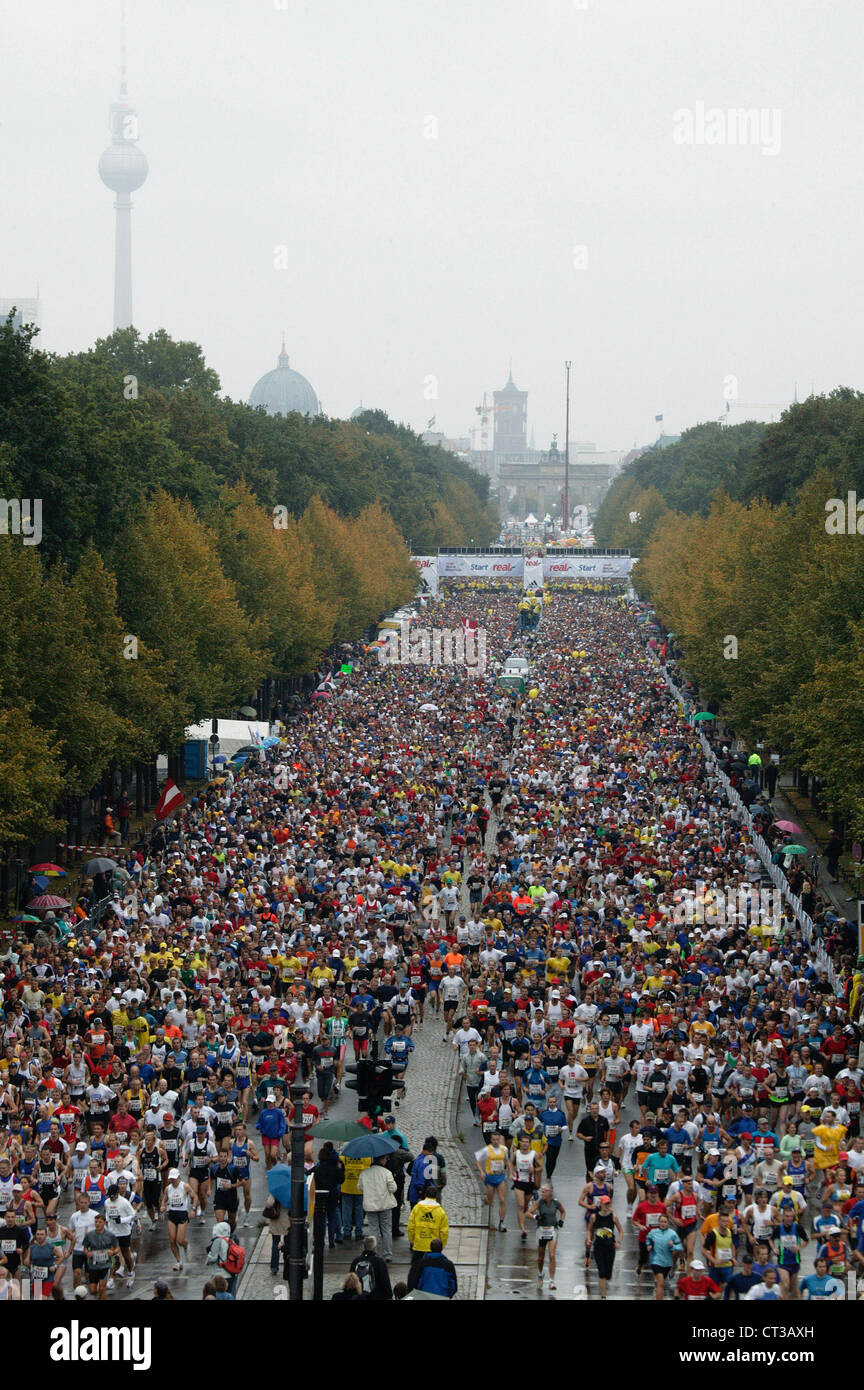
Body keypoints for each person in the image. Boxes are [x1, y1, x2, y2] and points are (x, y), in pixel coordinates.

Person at [357, 1154, 398, 1261]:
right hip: (385, 1205)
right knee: (386, 1230)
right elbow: (393, 1188)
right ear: (382, 1160)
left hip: (371, 1206)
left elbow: (360, 1187)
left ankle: (373, 1252)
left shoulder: (364, 1173)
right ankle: (387, 1254)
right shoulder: (386, 1173)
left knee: (373, 1230)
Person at [527, 1182, 567, 1291]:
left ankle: (552, 1281)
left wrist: (561, 1220)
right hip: (542, 1230)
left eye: (544, 1192)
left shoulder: (556, 1203)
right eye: (541, 1192)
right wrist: (536, 1216)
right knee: (540, 1258)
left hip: (552, 1230)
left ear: (550, 1192)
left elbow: (563, 1212)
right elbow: (528, 1213)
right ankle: (540, 1274)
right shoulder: (539, 1202)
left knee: (552, 1255)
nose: (542, 1193)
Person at [406, 1183, 449, 1284]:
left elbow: (411, 1227)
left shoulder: (417, 1208)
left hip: (419, 1245)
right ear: (436, 1196)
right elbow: (444, 1231)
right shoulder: (440, 1211)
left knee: (415, 1271)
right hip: (433, 1248)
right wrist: (441, 1245)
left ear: (425, 1195)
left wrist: (412, 1241)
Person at [587, 1192, 621, 1298]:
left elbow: (621, 1231)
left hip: (610, 1247)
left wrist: (618, 1242)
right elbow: (589, 1230)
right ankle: (603, 1296)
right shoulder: (594, 1217)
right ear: (600, 1205)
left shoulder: (613, 1217)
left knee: (608, 1274)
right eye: (605, 1204)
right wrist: (588, 1239)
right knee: (601, 1272)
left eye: (608, 1204)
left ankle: (606, 1282)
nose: (607, 1206)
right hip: (599, 1247)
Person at [475, 1131, 509, 1231]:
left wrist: (510, 1171)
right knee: (490, 1201)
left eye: (497, 1139)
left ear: (500, 1140)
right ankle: (487, 1200)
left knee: (502, 1199)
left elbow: (506, 1160)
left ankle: (501, 1222)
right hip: (490, 1177)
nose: (495, 1141)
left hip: (500, 1177)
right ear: (491, 1140)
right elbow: (477, 1160)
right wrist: (481, 1172)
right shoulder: (487, 1149)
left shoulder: (504, 1149)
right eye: (493, 1139)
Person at [645, 1212, 683, 1301]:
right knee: (661, 1282)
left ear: (668, 1223)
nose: (663, 1224)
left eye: (665, 1222)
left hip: (667, 1263)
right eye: (661, 1222)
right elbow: (648, 1240)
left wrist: (672, 1246)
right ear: (658, 1222)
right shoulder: (653, 1232)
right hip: (656, 1261)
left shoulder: (672, 1234)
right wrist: (649, 1245)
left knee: (660, 1283)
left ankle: (657, 1294)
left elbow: (679, 1246)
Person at [350, 1234, 393, 1300]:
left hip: (358, 1295)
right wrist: (389, 1295)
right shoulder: (379, 1261)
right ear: (374, 1248)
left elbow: (351, 1279)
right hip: (376, 1295)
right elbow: (385, 1281)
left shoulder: (356, 1261)